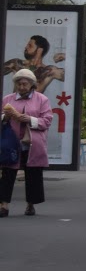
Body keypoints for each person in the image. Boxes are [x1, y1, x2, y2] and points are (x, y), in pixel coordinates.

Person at [0, 68, 51, 216]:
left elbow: (47, 120)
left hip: (32, 142)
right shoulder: (8, 99)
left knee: (33, 174)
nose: (22, 87)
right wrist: (6, 117)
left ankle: (30, 204)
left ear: (32, 84)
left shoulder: (42, 99)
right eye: (19, 84)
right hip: (11, 143)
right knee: (8, 173)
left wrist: (30, 119)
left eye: (25, 84)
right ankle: (4, 206)